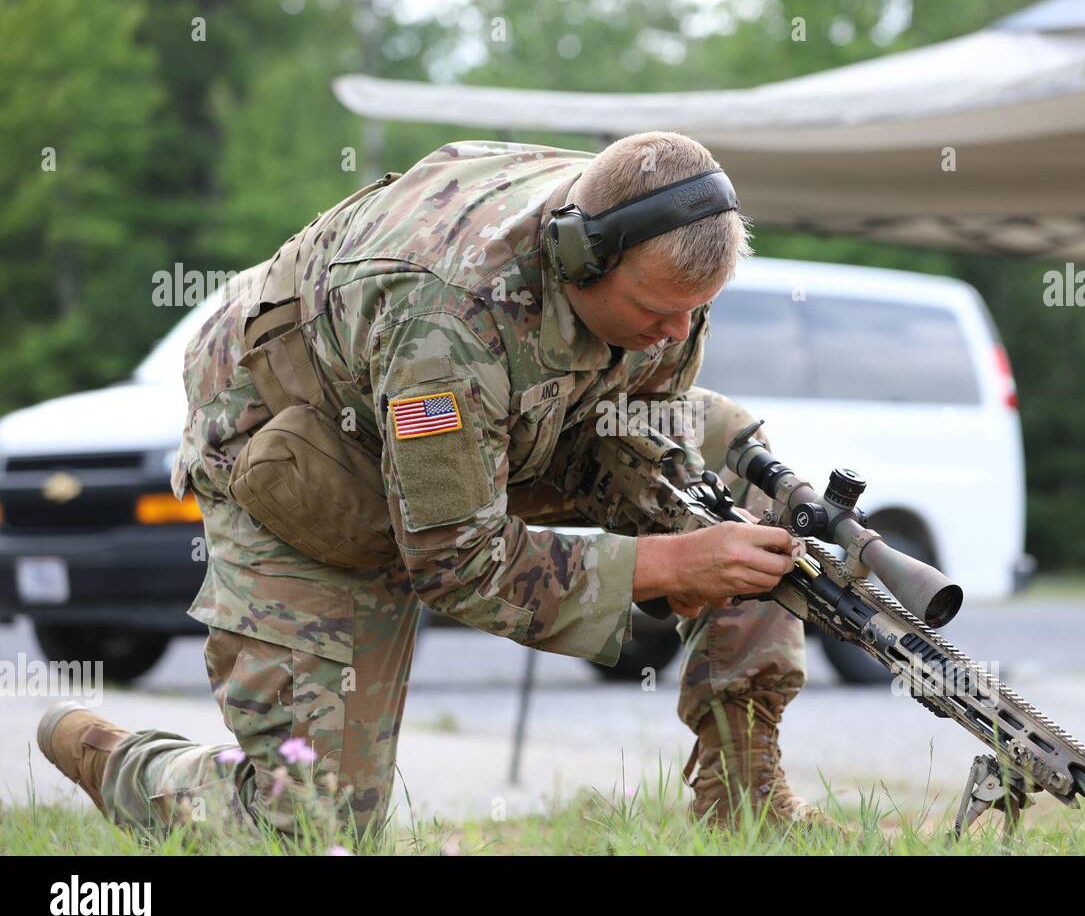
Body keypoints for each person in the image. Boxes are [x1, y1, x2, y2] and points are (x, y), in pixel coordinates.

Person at [38, 131, 827, 839]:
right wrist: (667, 569)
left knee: (734, 474)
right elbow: (458, 564)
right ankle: (121, 764)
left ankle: (744, 796)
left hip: (519, 413)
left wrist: (702, 523)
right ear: (581, 257)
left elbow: (650, 402)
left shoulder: (655, 238)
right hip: (306, 450)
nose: (676, 336)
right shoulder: (445, 320)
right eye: (657, 311)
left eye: (697, 315)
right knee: (314, 827)